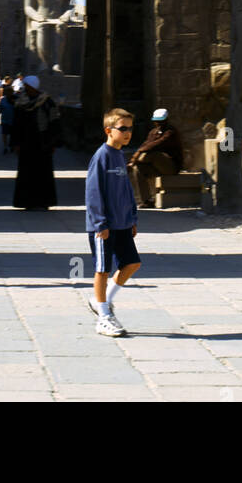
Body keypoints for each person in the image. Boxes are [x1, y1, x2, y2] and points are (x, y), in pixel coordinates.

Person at [86, 108, 140, 338]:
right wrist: (100, 223)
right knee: (103, 269)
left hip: (123, 223)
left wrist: (132, 218)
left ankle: (102, 301)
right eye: (123, 128)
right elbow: (93, 191)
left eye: (130, 128)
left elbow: (127, 189)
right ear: (109, 130)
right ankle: (104, 317)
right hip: (104, 226)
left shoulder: (120, 155)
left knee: (132, 263)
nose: (128, 133)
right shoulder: (102, 156)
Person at [10, 75, 60, 209]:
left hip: (43, 142)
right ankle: (27, 202)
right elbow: (16, 124)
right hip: (26, 143)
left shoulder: (47, 102)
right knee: (27, 173)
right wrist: (15, 143)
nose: (25, 88)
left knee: (43, 173)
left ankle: (44, 202)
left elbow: (54, 122)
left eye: (27, 86)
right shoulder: (21, 102)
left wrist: (53, 142)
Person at [128, 108, 183, 207]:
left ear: (166, 120)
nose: (159, 124)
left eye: (161, 121)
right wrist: (137, 153)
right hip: (157, 167)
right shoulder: (153, 132)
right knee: (138, 170)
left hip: (171, 167)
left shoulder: (171, 132)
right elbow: (146, 143)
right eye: (157, 121)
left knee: (152, 154)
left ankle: (134, 162)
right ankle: (147, 201)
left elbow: (157, 144)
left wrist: (138, 154)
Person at [0, 85, 15, 154]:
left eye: (10, 92)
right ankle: (5, 147)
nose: (8, 93)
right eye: (7, 92)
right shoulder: (3, 100)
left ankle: (11, 145)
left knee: (12, 134)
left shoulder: (16, 99)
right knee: (4, 134)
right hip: (4, 120)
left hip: (13, 120)